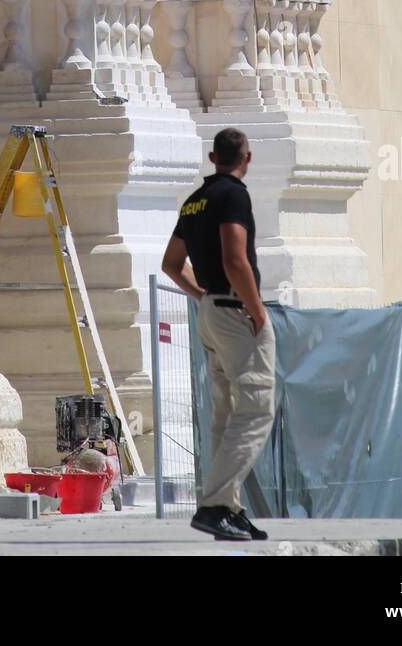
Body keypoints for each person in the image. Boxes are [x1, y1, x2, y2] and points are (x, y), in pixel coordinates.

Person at [161, 127, 275, 542]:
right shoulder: (233, 195)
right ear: (247, 158)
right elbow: (234, 258)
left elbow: (171, 263)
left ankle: (229, 508)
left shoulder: (194, 202)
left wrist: (200, 295)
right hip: (235, 311)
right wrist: (257, 310)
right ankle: (214, 505)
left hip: (210, 311)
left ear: (213, 158)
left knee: (226, 414)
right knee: (256, 410)